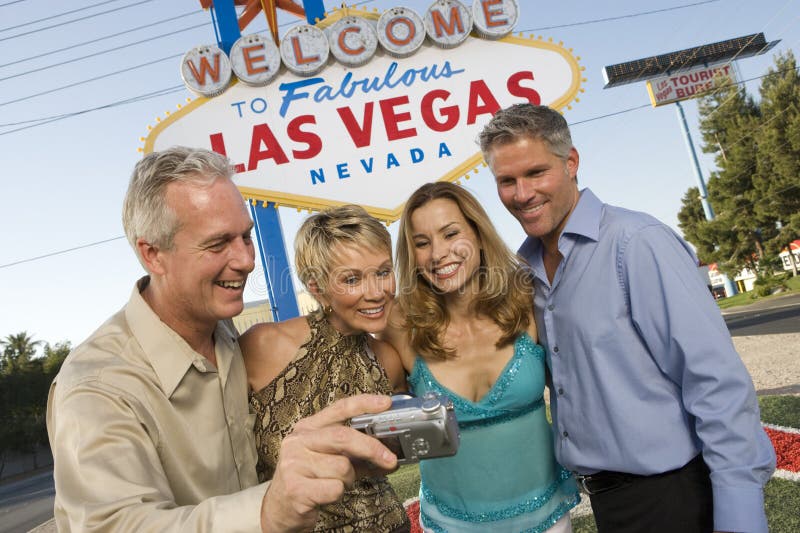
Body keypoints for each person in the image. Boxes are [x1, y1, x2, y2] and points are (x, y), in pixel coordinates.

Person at [46, 146, 400, 532]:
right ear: (153, 255)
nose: (247, 260)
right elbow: (114, 525)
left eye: (245, 237)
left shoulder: (226, 333)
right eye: (218, 244)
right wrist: (267, 512)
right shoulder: (96, 387)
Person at [480, 103, 776, 533]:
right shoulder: (525, 275)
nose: (522, 194)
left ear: (571, 162)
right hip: (608, 501)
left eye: (536, 173)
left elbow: (716, 383)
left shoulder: (636, 244)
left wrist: (740, 515)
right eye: (506, 181)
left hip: (676, 496)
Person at [383, 181, 580, 533]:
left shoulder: (526, 296)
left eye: (450, 233)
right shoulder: (401, 323)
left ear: (477, 232)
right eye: (422, 243)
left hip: (546, 520)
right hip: (448, 525)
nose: (438, 254)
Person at [239, 205, 411, 532]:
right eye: (352, 278)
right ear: (317, 287)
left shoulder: (388, 358)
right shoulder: (263, 346)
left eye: (383, 271)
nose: (377, 292)